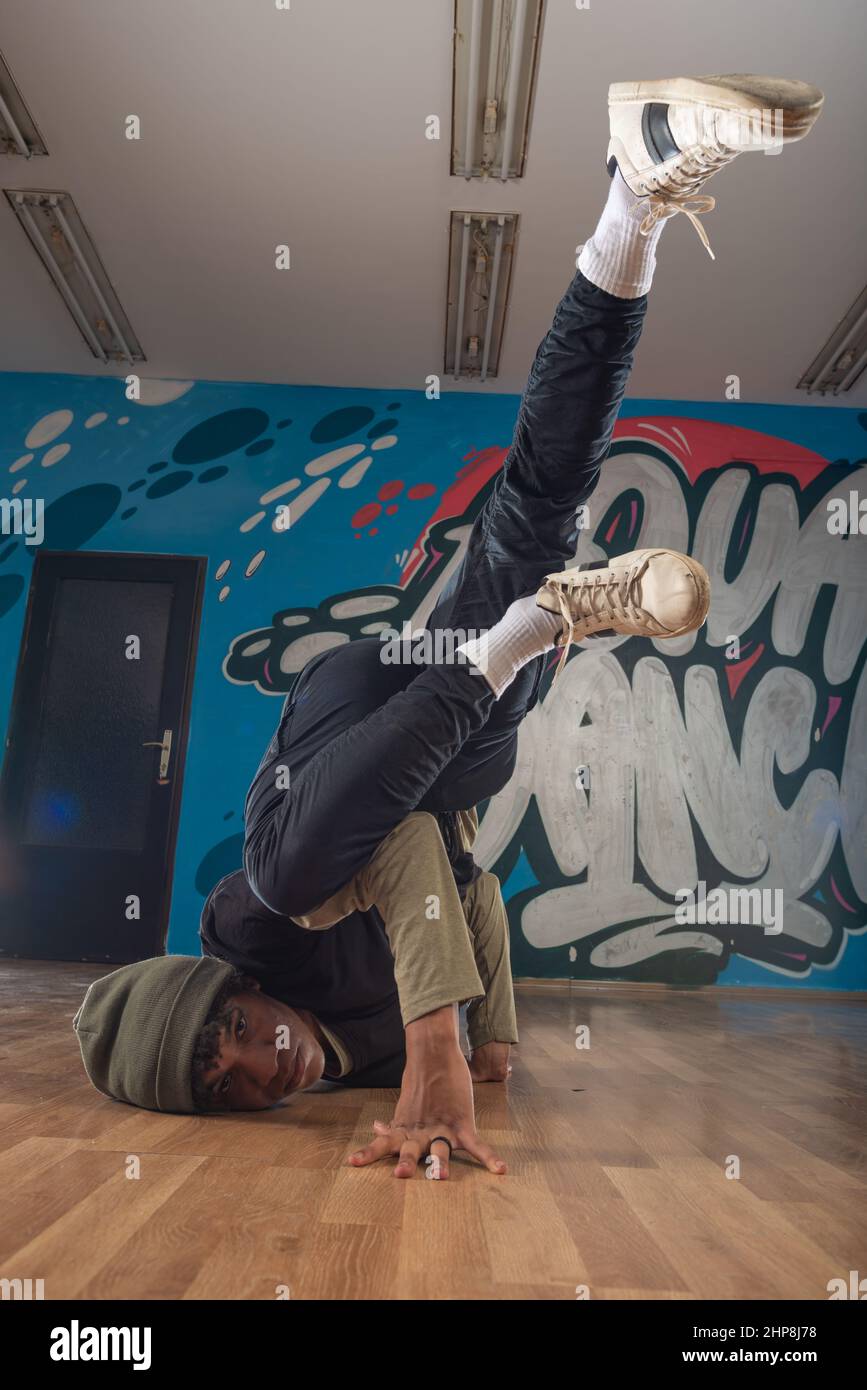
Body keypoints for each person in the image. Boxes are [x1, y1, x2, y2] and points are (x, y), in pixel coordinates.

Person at [74, 74, 823, 1180]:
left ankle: (531, 626)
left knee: (303, 863)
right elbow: (465, 889)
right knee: (533, 525)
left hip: (349, 718)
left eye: (226, 1028)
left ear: (227, 986)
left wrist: (440, 1043)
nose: (256, 1055)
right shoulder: (361, 1072)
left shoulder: (252, 930)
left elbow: (404, 849)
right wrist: (497, 1034)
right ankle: (635, 203)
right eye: (222, 1081)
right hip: (451, 751)